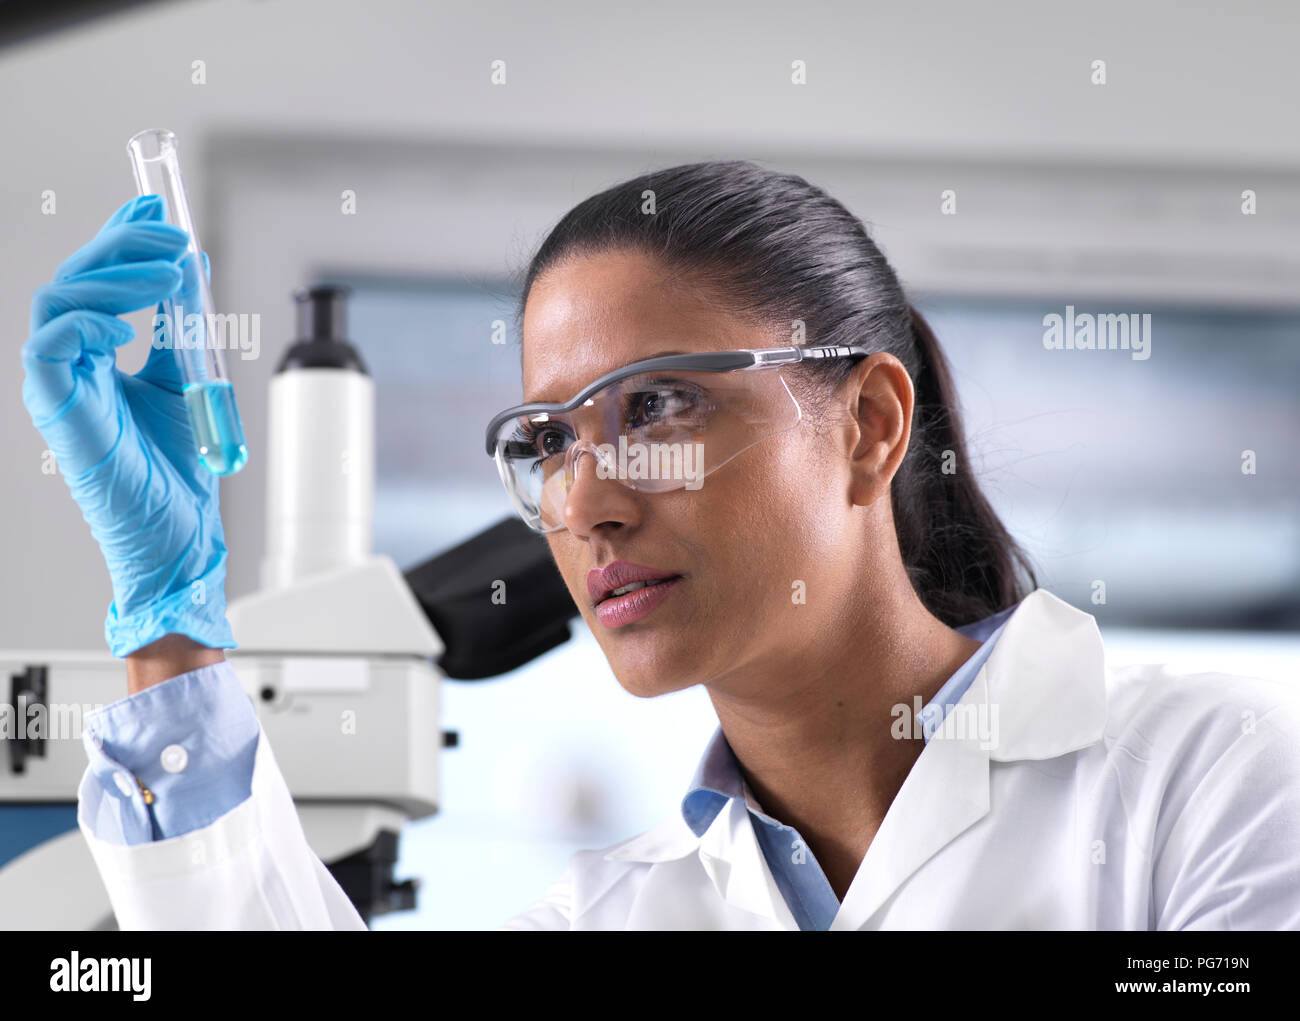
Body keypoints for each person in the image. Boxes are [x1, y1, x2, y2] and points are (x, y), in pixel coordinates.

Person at [21, 163, 1300, 930]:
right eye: (546, 439)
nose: (586, 503)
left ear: (866, 422)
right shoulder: (611, 913)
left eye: (659, 406)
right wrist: (170, 612)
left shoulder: (1209, 782)